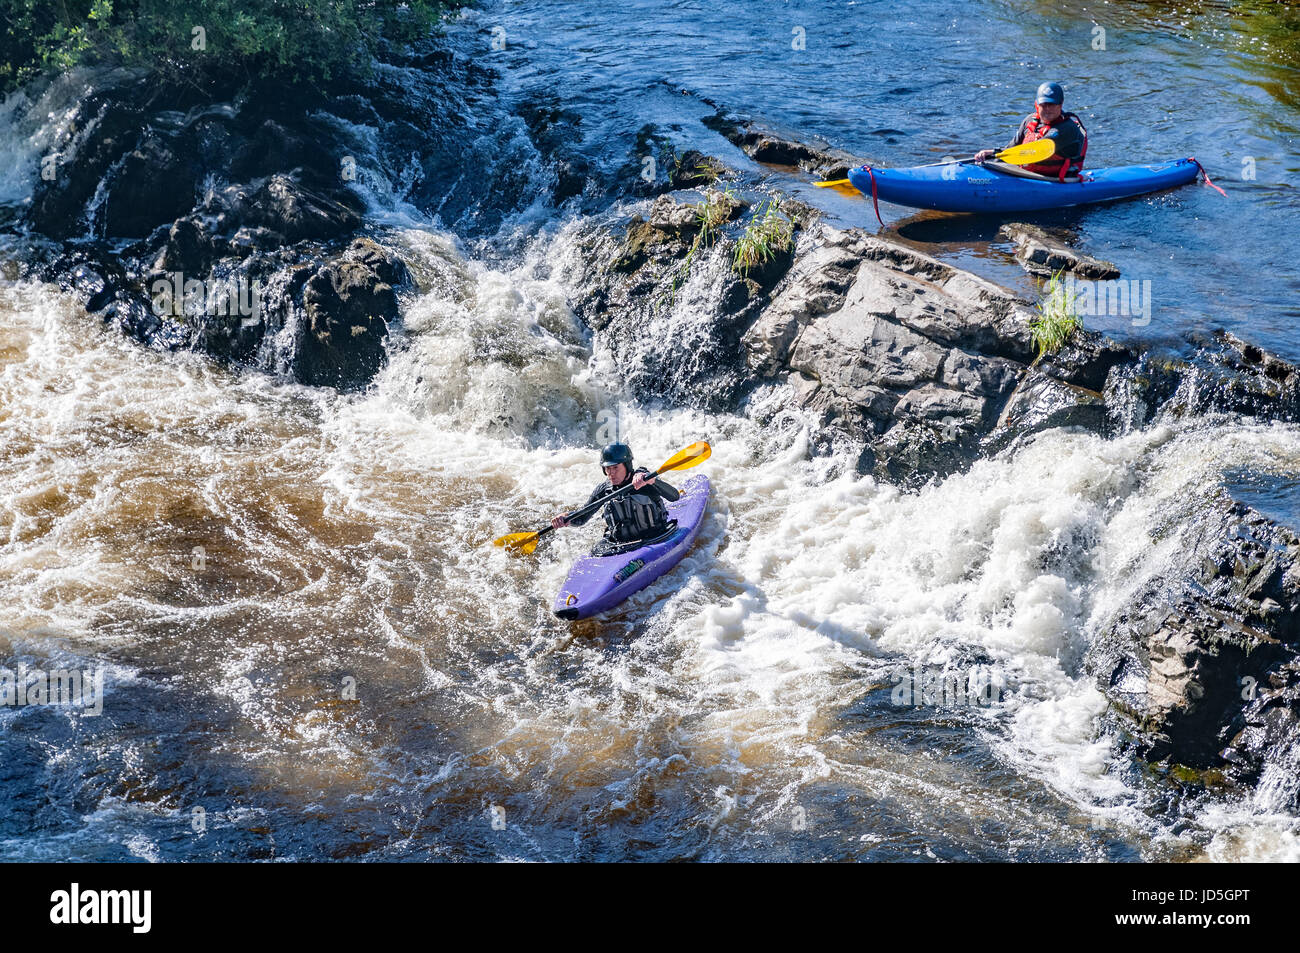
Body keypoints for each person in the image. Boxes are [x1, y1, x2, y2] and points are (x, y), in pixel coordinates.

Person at [552, 443, 680, 556]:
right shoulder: (604, 489)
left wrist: (652, 481)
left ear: (627, 466)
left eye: (615, 468)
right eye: (607, 468)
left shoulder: (644, 480)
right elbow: (581, 518)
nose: (611, 473)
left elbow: (674, 496)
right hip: (620, 544)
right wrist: (566, 518)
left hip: (655, 537)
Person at [975, 82, 1088, 181]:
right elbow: (1011, 148)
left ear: (1060, 105)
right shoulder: (1029, 121)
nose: (1048, 109)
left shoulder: (1066, 128)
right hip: (1029, 173)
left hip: (1056, 179)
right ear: (1036, 105)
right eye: (1044, 105)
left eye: (1052, 104)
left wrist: (996, 155)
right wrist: (991, 154)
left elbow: (1038, 150)